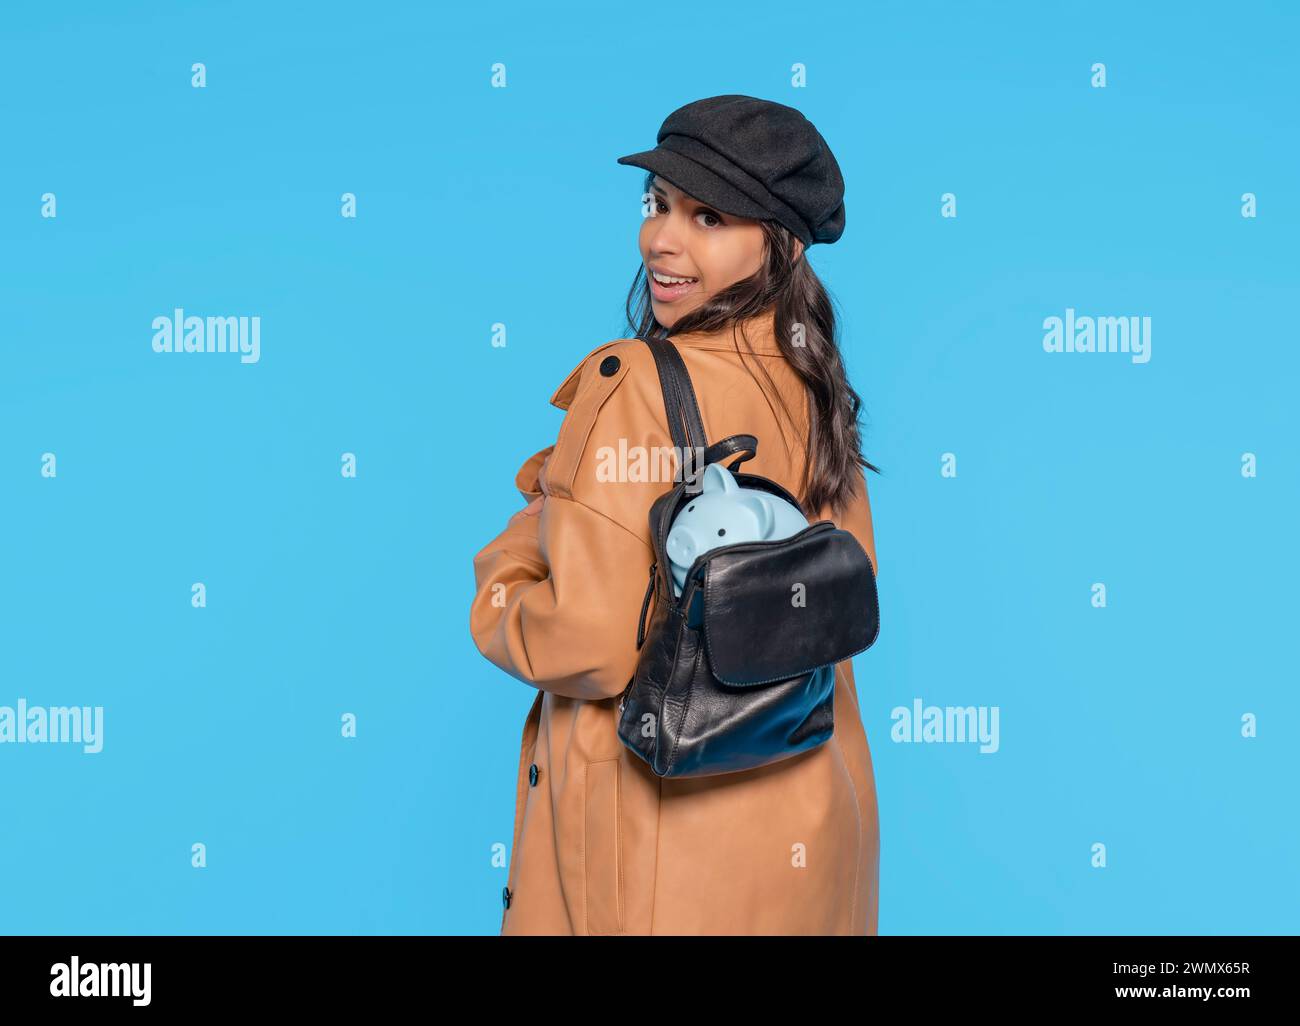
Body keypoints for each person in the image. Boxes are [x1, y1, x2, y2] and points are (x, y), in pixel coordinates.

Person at [469, 94, 881, 935]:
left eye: (709, 216)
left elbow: (585, 640)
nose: (663, 238)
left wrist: (506, 582)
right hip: (810, 824)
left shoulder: (637, 384)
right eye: (658, 204)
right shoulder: (814, 381)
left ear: (782, 241)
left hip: (660, 854)